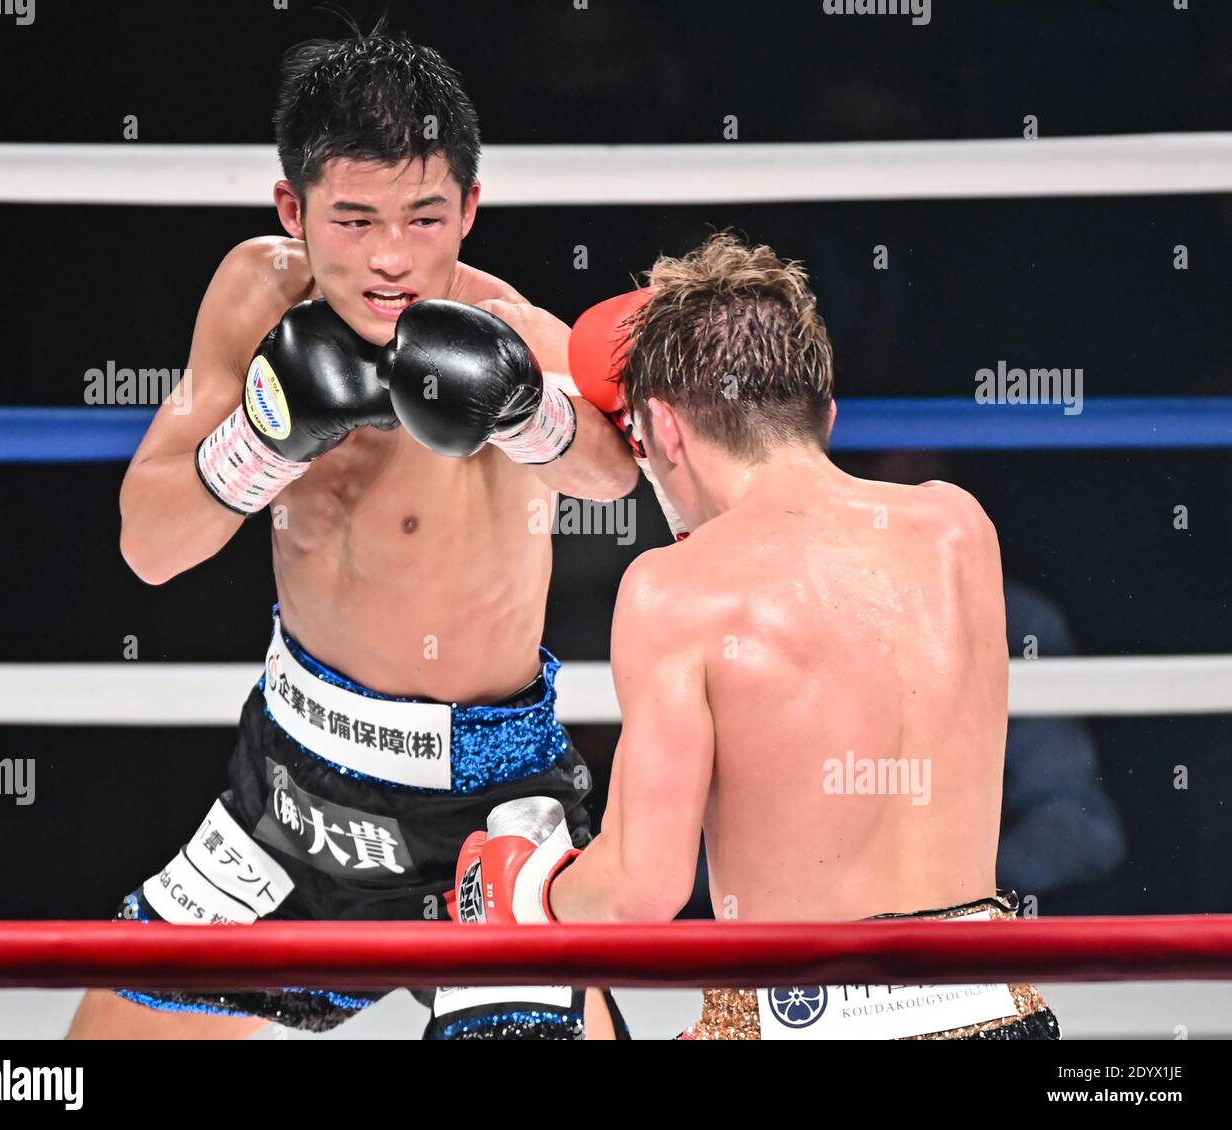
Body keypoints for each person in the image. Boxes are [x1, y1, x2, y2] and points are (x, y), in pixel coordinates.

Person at [66, 21, 639, 1041]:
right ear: (293, 208)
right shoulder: (255, 294)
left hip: (483, 802)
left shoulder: (510, 334)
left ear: (469, 206)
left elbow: (605, 473)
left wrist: (521, 410)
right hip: (289, 787)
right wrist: (263, 441)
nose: (391, 258)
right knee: (83, 1057)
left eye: (424, 217)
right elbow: (149, 546)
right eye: (354, 218)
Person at [456, 232, 1061, 1040]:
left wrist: (524, 892)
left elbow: (640, 890)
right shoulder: (957, 528)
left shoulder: (676, 588)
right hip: (1000, 1012)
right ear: (826, 413)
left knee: (497, 1006)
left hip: (796, 1022)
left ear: (665, 433)